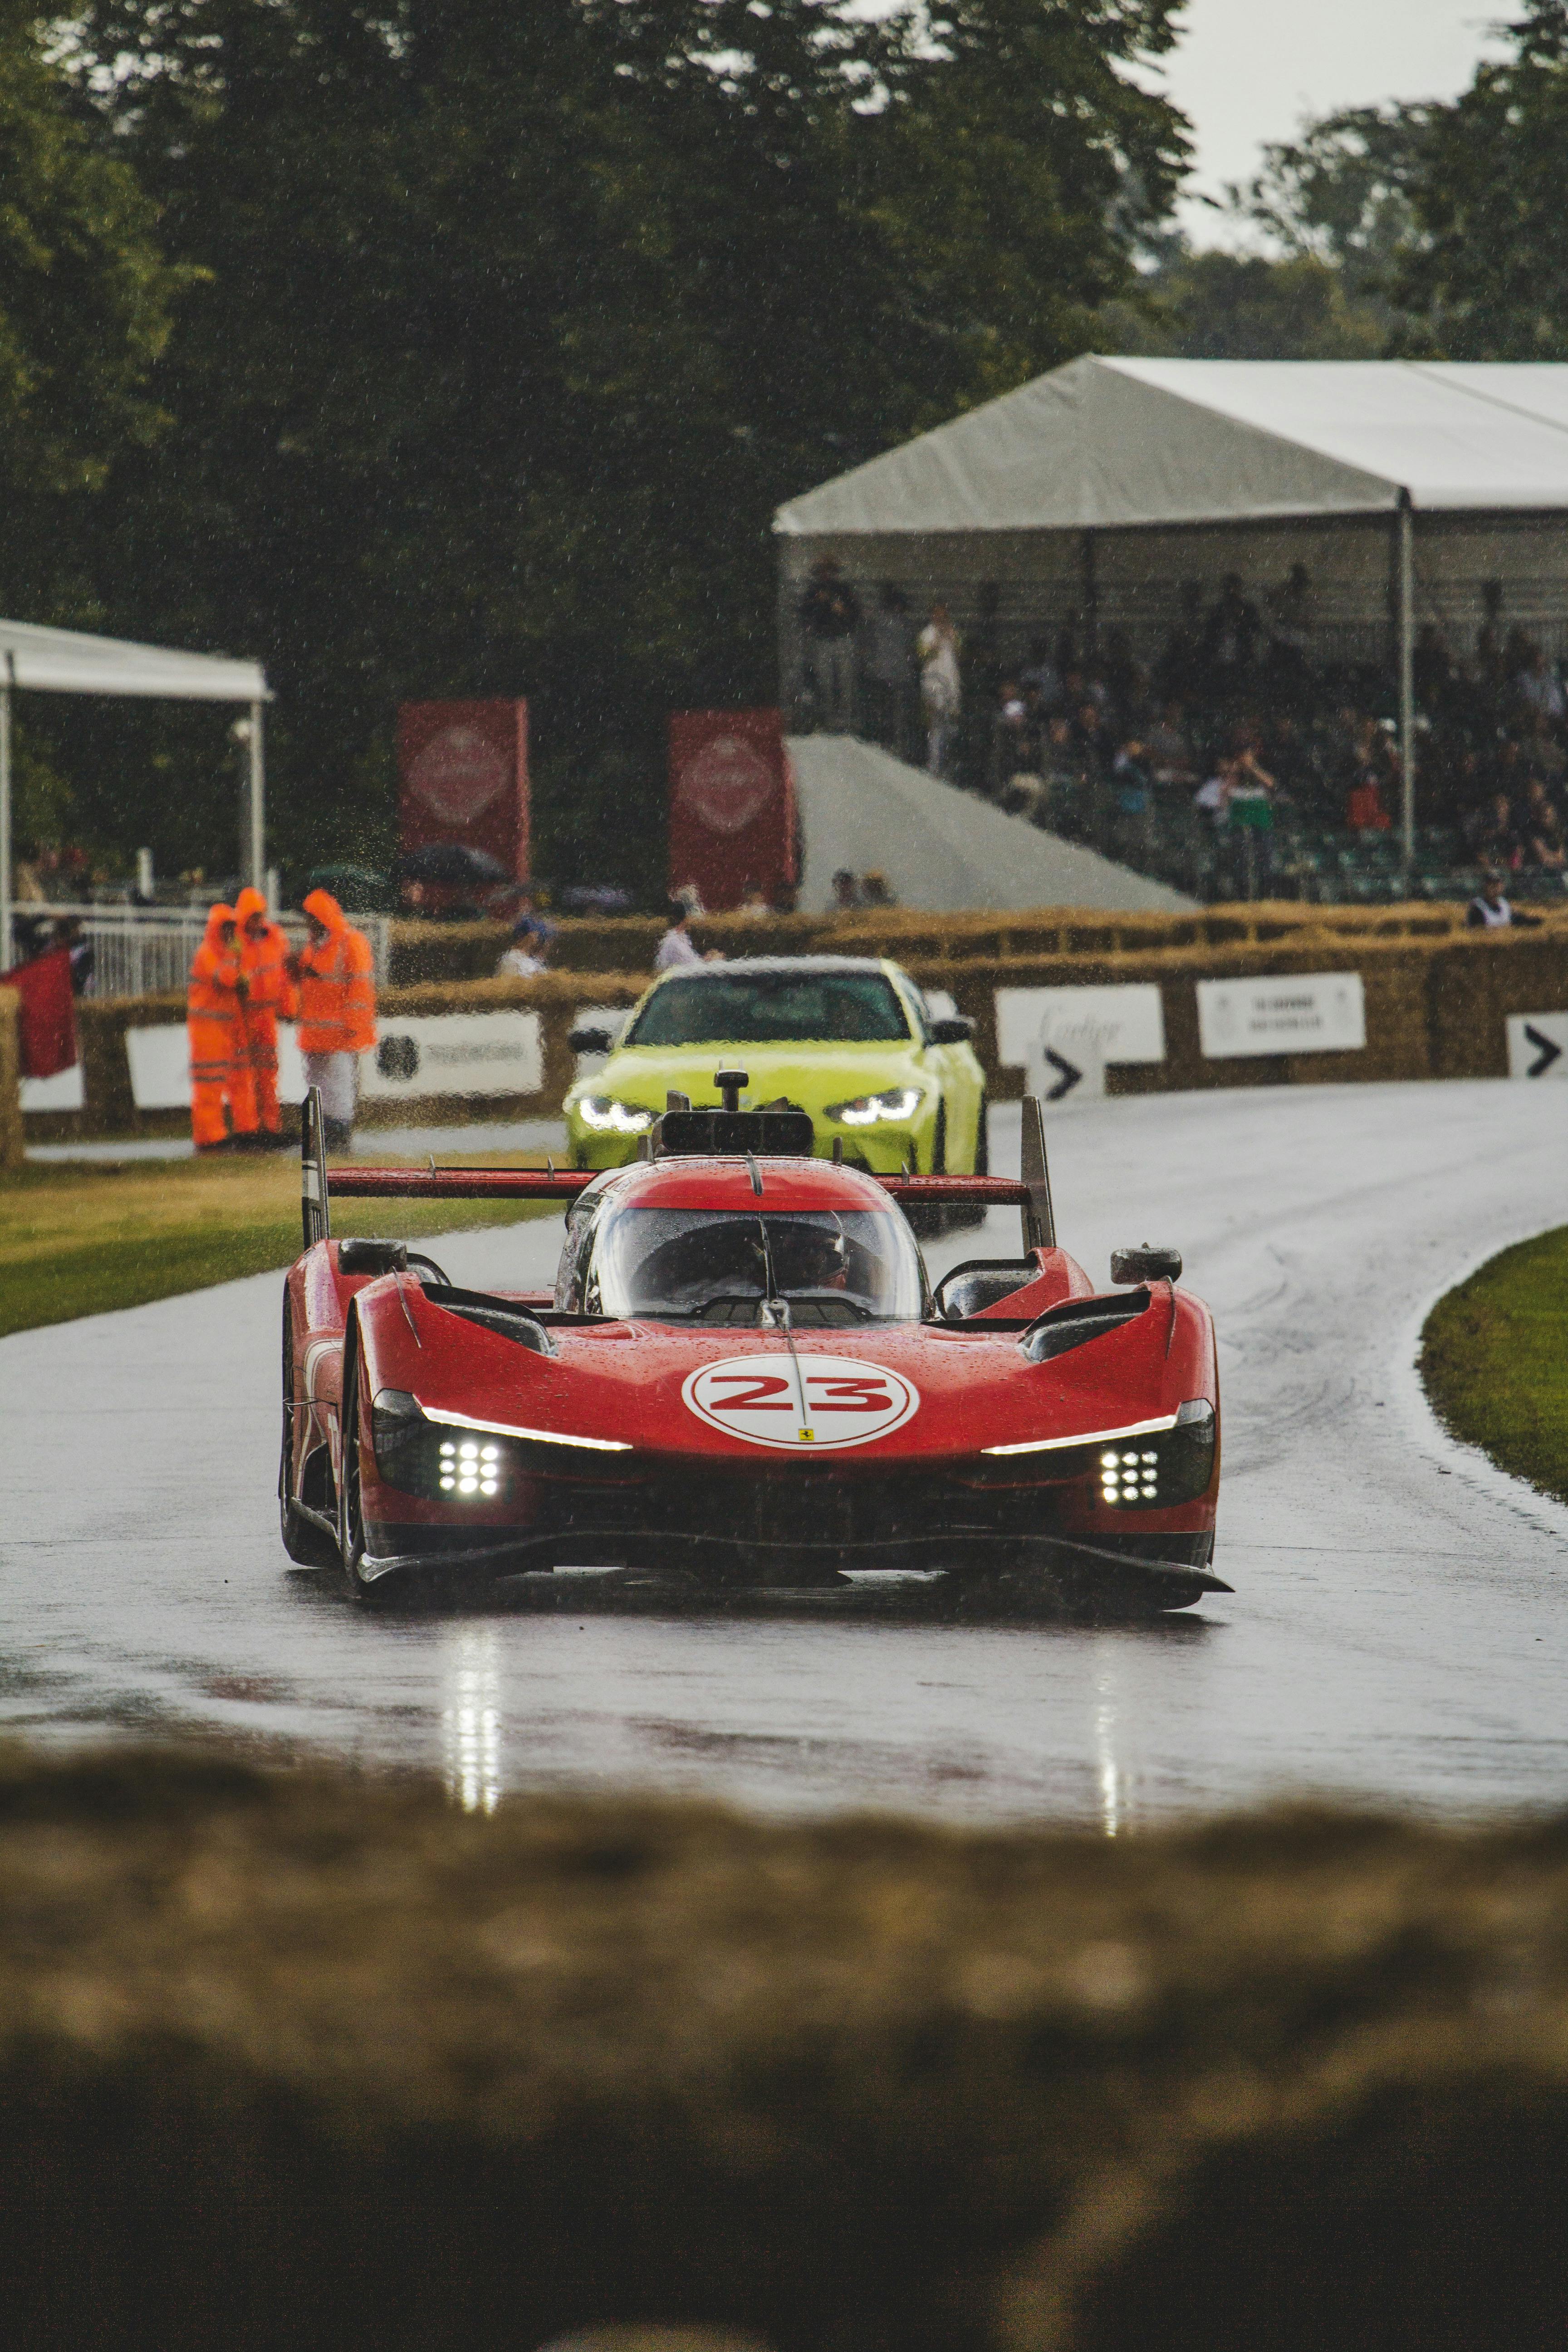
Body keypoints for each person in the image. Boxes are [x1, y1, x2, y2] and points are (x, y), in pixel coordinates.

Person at [290, 888, 377, 1150]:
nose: (308, 924)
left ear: (322, 918)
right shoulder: (315, 945)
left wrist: (353, 1025)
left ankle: (340, 1133)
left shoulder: (351, 942)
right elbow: (312, 983)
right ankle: (326, 1134)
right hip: (316, 1034)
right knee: (319, 1084)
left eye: (311, 918)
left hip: (340, 1032)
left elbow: (360, 987)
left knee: (339, 1084)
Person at [231, 886, 296, 1148]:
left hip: (266, 1016)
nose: (258, 921)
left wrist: (289, 1007)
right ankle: (248, 1129)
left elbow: (286, 977)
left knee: (268, 1072)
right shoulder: (235, 941)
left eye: (260, 916)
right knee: (244, 1075)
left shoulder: (276, 937)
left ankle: (270, 1125)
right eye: (253, 916)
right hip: (243, 1017)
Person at [187, 903, 253, 1153]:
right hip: (207, 1029)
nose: (229, 932)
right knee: (209, 1084)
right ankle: (208, 1137)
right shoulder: (207, 952)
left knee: (219, 1082)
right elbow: (225, 978)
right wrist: (240, 973)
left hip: (222, 1028)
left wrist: (239, 962)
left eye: (231, 927)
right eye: (225, 927)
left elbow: (242, 982)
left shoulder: (229, 953)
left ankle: (216, 1134)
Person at [798, 555, 861, 730]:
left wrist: (844, 611)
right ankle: (828, 720)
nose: (827, 574)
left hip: (842, 639)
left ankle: (846, 721)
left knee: (845, 681)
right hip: (822, 641)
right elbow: (803, 613)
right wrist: (817, 602)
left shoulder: (844, 590)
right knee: (825, 682)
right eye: (823, 571)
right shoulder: (813, 591)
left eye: (830, 571)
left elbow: (857, 615)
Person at [917, 602, 962, 777]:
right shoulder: (926, 634)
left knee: (950, 727)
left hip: (951, 683)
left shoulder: (953, 632)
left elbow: (961, 653)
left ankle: (946, 766)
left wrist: (950, 637)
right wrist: (935, 643)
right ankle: (933, 765)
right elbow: (922, 656)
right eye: (936, 614)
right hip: (933, 683)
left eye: (943, 614)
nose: (940, 618)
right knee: (935, 725)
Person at [1466, 869, 1542, 928]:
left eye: (1497, 884)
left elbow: (1516, 919)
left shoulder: (1503, 904)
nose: (1494, 887)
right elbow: (1476, 929)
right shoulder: (1478, 907)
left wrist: (1531, 921)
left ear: (1502, 886)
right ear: (1485, 886)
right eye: (1491, 884)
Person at [654, 902, 717, 971]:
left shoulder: (679, 937)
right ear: (686, 918)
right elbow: (693, 968)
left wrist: (706, 959)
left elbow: (690, 962)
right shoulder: (675, 942)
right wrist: (711, 961)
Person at [496, 913, 551, 977]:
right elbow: (510, 984)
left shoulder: (532, 959)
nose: (537, 940)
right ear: (530, 936)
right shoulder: (511, 959)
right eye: (536, 936)